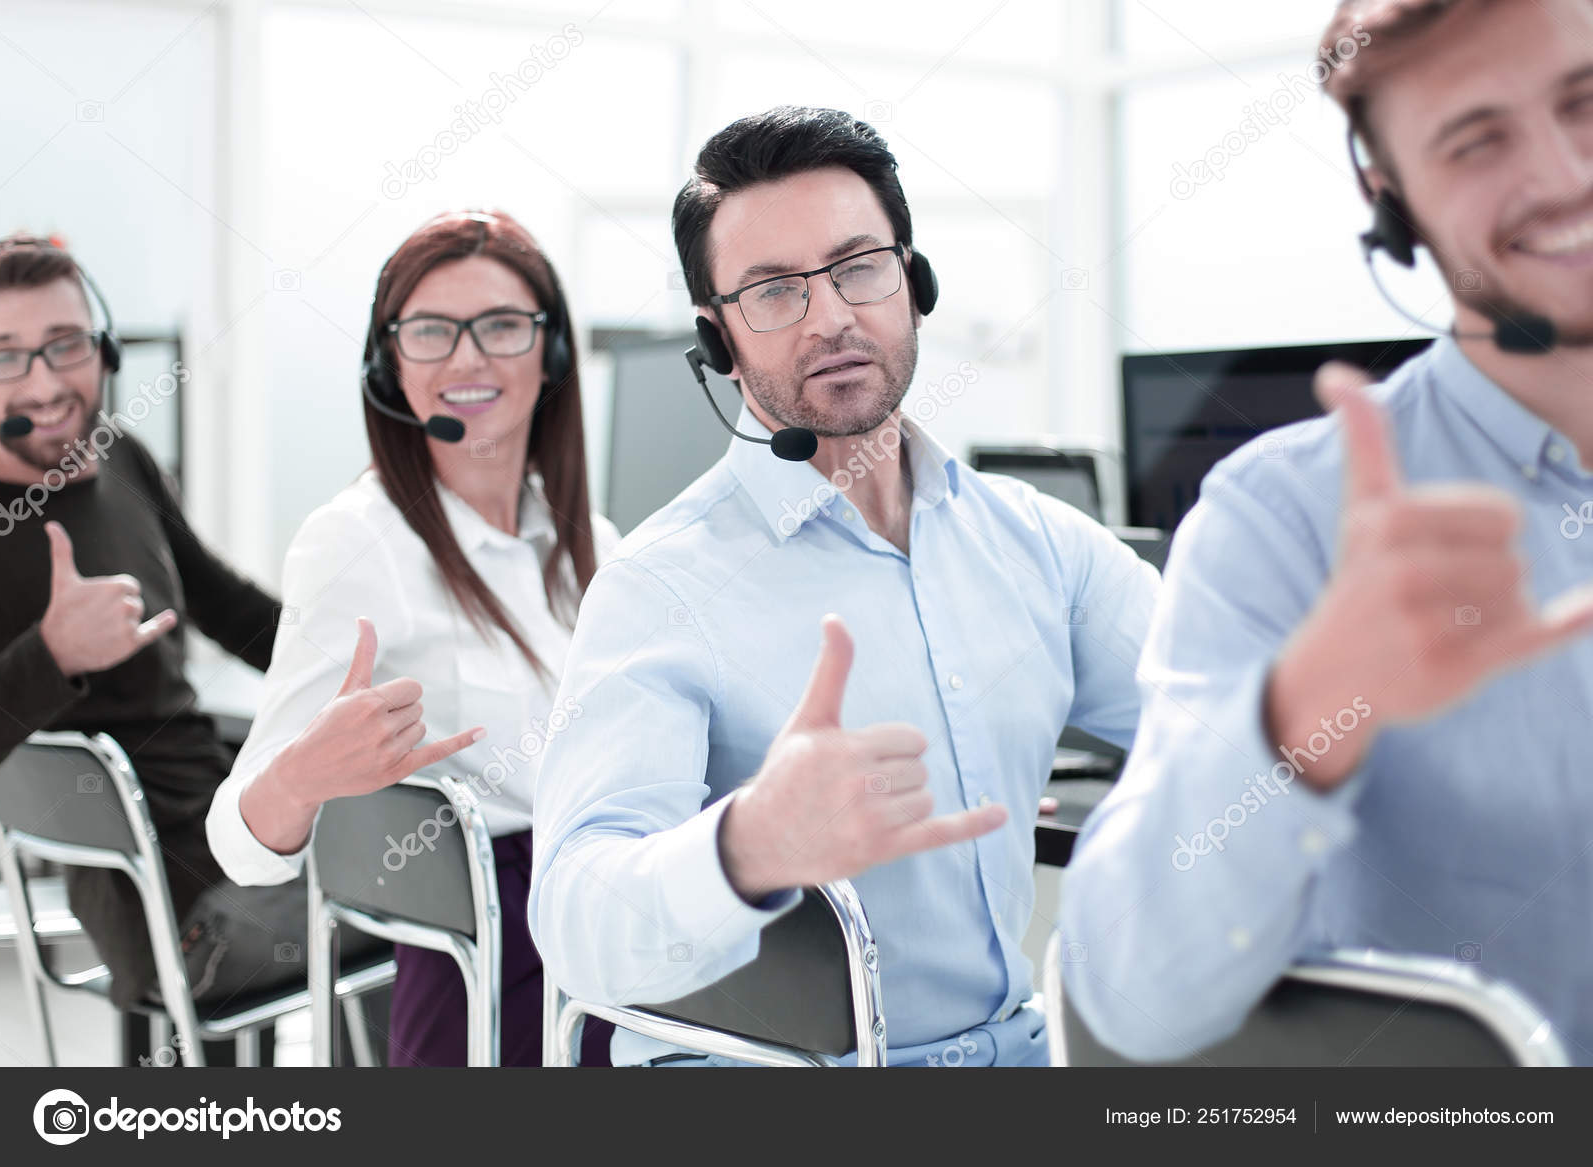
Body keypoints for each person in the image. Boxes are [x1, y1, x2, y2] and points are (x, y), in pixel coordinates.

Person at [527, 107, 1160, 1067]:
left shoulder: (1037, 544)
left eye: (859, 265)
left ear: (916, 282)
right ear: (718, 339)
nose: (831, 316)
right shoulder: (661, 585)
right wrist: (749, 845)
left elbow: (1225, 708)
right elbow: (577, 916)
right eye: (774, 290)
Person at [1062, 0, 1593, 1064]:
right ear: (1388, 196)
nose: (1562, 171)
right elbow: (1128, 995)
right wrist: (1314, 699)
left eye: (1585, 103)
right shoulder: (1288, 518)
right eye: (1476, 138)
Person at [206, 209, 617, 1067]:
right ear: (390, 362)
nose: (468, 359)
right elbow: (238, 843)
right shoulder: (358, 541)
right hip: (493, 987)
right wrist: (305, 774)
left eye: (502, 325)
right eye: (430, 331)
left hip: (619, 945)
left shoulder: (598, 548)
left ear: (554, 353)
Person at [0, 234, 334, 1014]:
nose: (45, 382)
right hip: (169, 915)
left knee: (408, 836)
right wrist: (52, 653)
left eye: (64, 344)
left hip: (231, 829)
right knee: (425, 898)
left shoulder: (121, 459)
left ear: (103, 349)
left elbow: (228, 609)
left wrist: (349, 655)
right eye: (5, 355)